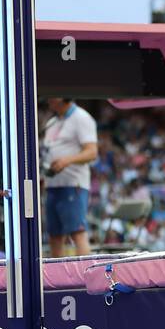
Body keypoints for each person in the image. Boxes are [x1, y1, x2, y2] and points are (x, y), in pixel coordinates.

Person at [42, 97, 98, 257]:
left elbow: (92, 152)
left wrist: (67, 161)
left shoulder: (81, 117)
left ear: (63, 97)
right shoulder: (52, 122)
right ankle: (57, 279)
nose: (48, 100)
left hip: (73, 184)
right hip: (53, 184)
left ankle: (86, 274)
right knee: (54, 235)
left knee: (77, 232)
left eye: (52, 97)